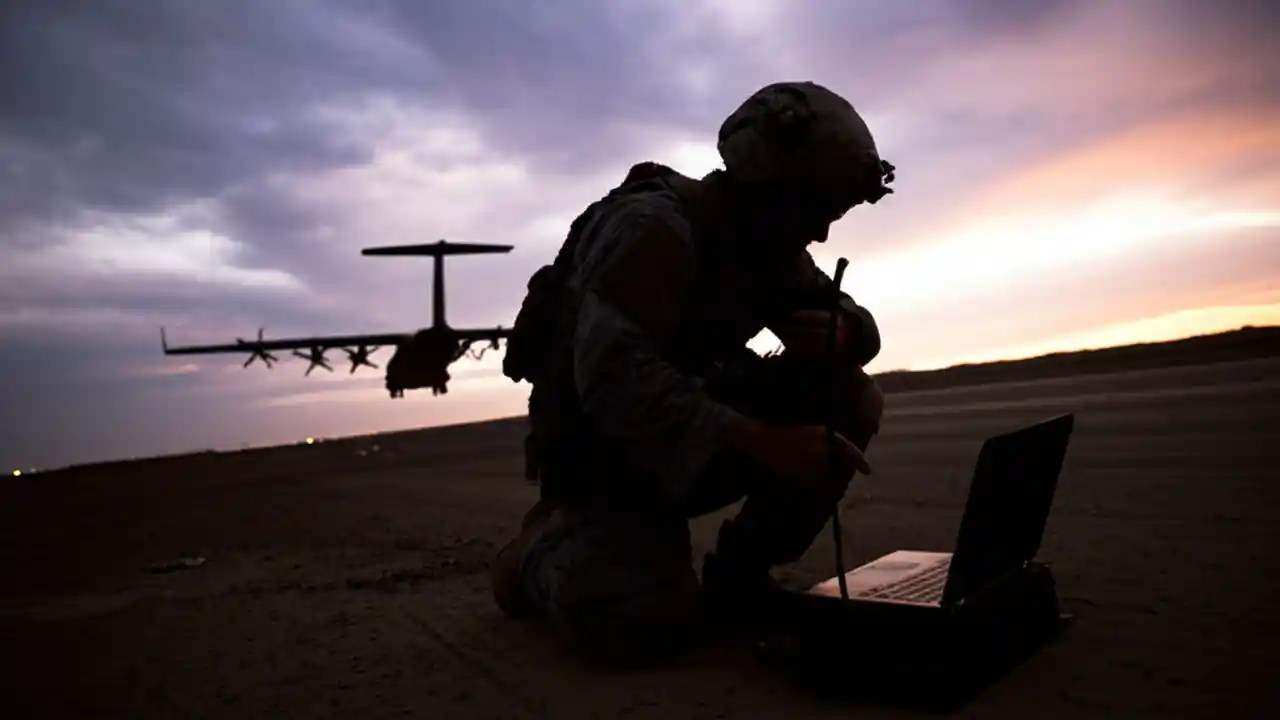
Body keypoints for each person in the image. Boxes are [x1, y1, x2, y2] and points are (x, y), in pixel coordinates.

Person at [494, 81, 894, 667]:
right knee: (636, 625)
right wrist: (765, 442)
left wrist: (847, 332)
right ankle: (535, 550)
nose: (822, 233)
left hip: (692, 438)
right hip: (605, 457)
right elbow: (614, 386)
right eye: (816, 209)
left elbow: (853, 324)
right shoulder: (653, 230)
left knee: (849, 397)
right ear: (771, 183)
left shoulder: (769, 246)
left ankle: (739, 578)